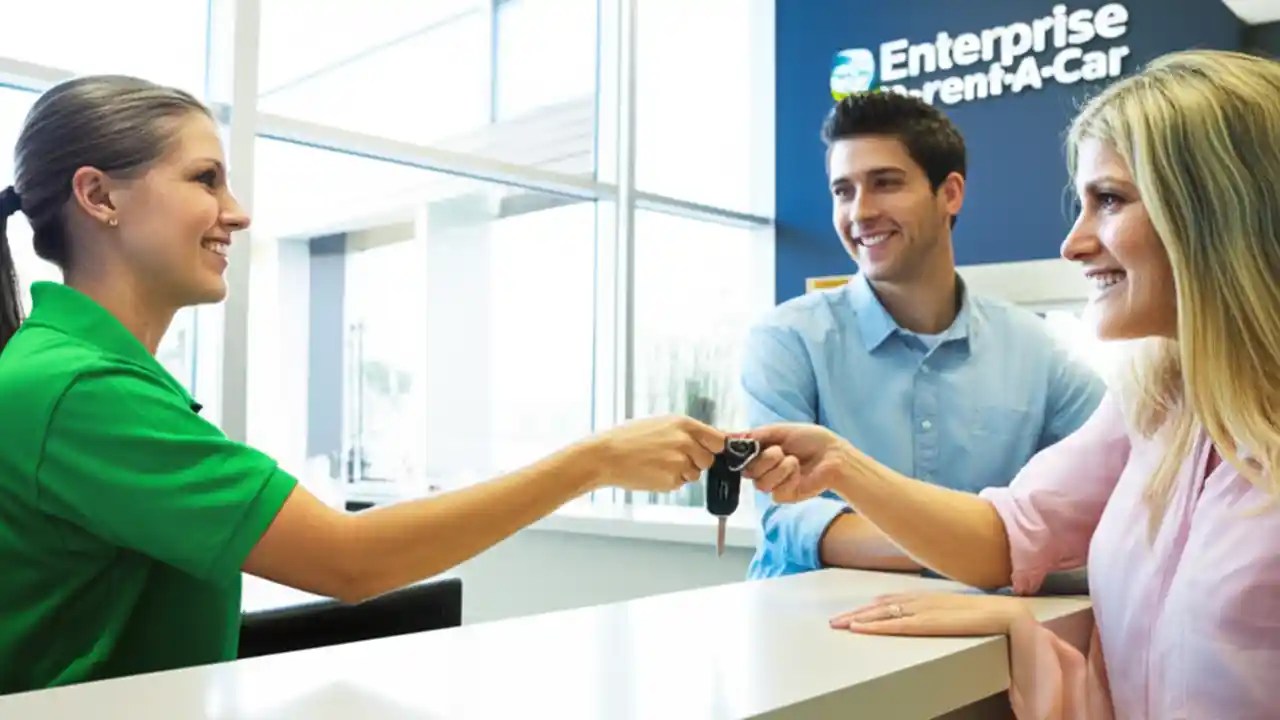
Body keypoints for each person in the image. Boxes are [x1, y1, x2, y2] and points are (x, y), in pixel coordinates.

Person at [0, 75, 727, 695]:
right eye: (205, 179)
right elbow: (349, 560)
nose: (238, 212)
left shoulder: (72, 373)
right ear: (98, 195)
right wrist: (595, 462)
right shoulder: (77, 389)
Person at [745, 49, 1280, 718]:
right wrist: (843, 467)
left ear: (1221, 211)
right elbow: (1011, 533)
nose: (1072, 244)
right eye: (842, 190)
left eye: (1109, 200)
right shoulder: (1155, 404)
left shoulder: (1042, 351)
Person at [743, 90, 1105, 579]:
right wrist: (994, 548)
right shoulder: (787, 339)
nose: (860, 212)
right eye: (843, 191)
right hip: (806, 619)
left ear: (950, 193)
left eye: (885, 183)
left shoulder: (1035, 350)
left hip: (973, 622)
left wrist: (1004, 546)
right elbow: (790, 519)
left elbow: (1114, 485)